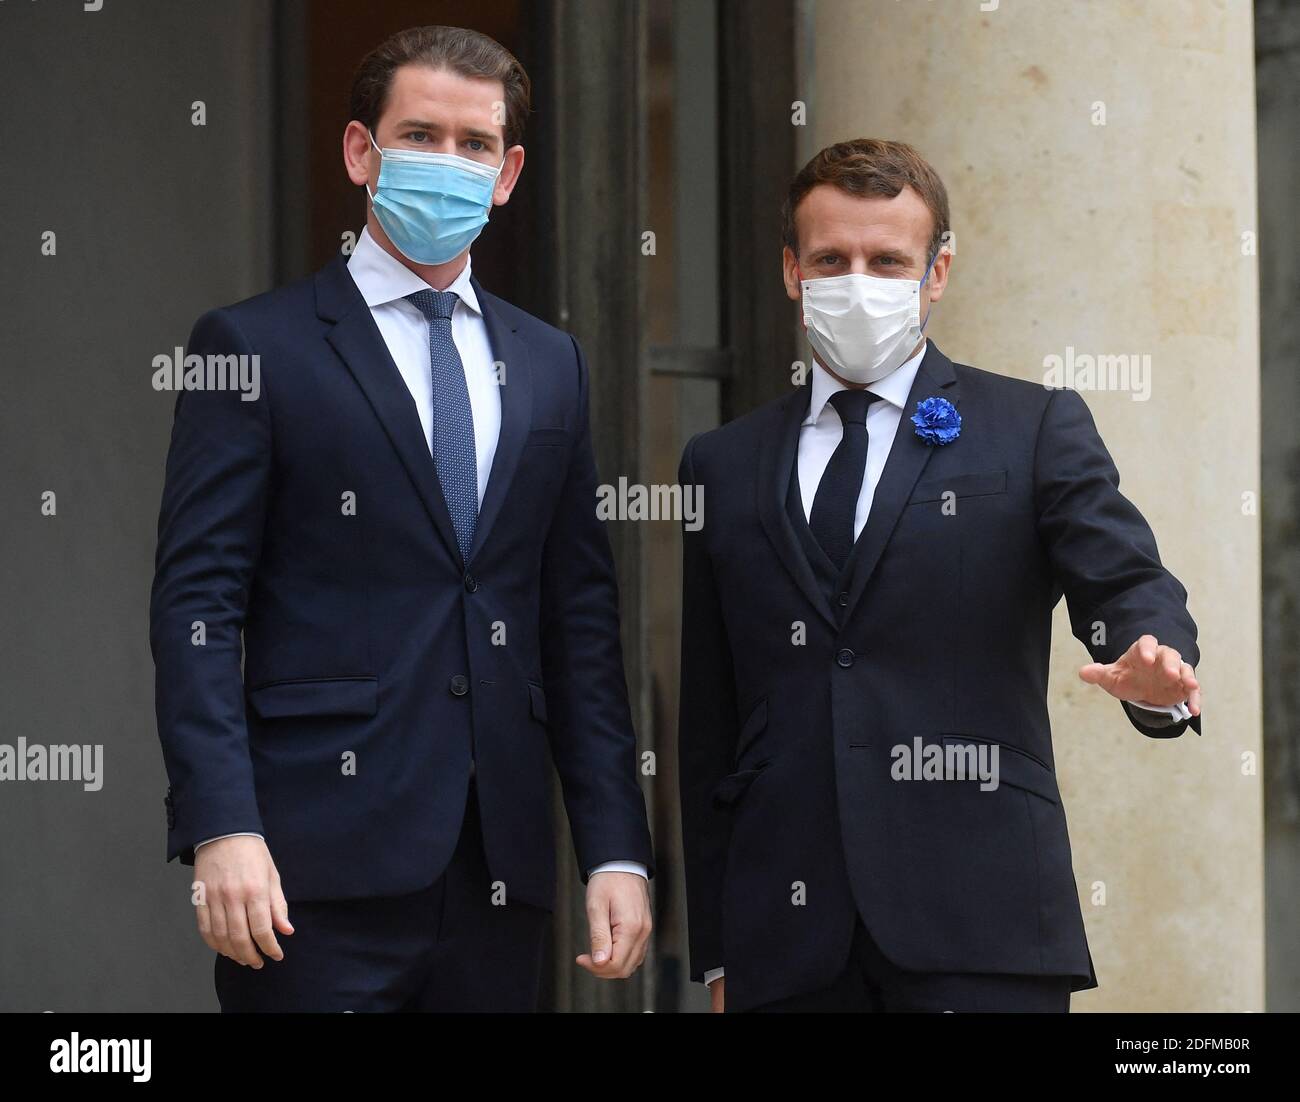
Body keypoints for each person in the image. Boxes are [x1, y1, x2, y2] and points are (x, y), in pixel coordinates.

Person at [151, 25, 653, 1012]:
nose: (448, 163)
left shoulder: (552, 362)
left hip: (499, 868)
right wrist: (222, 826)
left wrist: (616, 847)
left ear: (508, 173)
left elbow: (577, 626)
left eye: (474, 145)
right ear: (359, 152)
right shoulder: (255, 345)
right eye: (419, 134)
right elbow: (198, 608)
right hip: (308, 873)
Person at [677, 138, 1200, 1013]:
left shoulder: (1030, 427)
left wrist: (1155, 668)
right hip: (786, 939)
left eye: (888, 261)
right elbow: (711, 720)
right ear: (790, 272)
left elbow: (1122, 579)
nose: (858, 279)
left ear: (938, 271)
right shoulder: (721, 463)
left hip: (982, 922)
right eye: (830, 259)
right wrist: (721, 952)